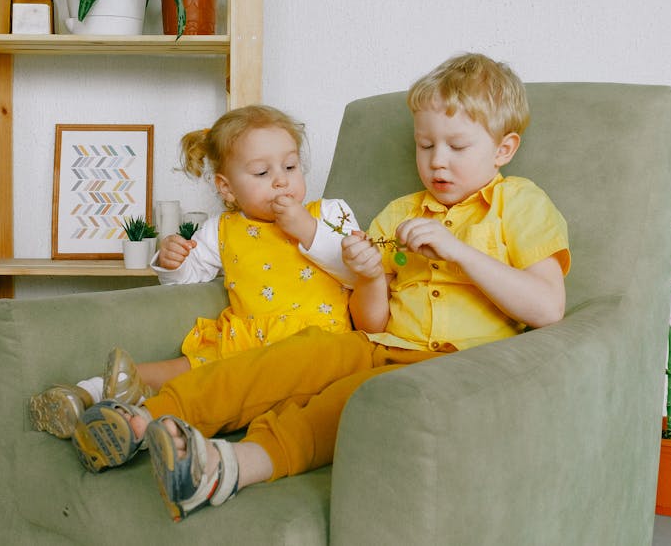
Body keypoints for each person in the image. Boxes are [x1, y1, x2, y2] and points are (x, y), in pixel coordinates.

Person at [67, 52, 572, 522]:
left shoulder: (520, 205)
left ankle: (228, 467)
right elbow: (370, 320)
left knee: (347, 403)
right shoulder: (401, 212)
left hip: (452, 364)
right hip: (377, 343)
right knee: (284, 360)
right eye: (425, 145)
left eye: (457, 147)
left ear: (504, 149)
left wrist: (459, 251)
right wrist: (372, 275)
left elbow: (548, 308)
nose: (438, 161)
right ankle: (139, 422)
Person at [29, 104, 362, 439]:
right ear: (227, 188)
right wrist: (171, 262)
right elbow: (188, 277)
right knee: (176, 369)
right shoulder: (223, 229)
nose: (281, 180)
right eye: (262, 173)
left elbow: (358, 273)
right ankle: (86, 394)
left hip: (311, 347)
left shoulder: (330, 213)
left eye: (290, 166)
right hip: (241, 344)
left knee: (210, 388)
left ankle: (138, 423)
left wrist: (306, 229)